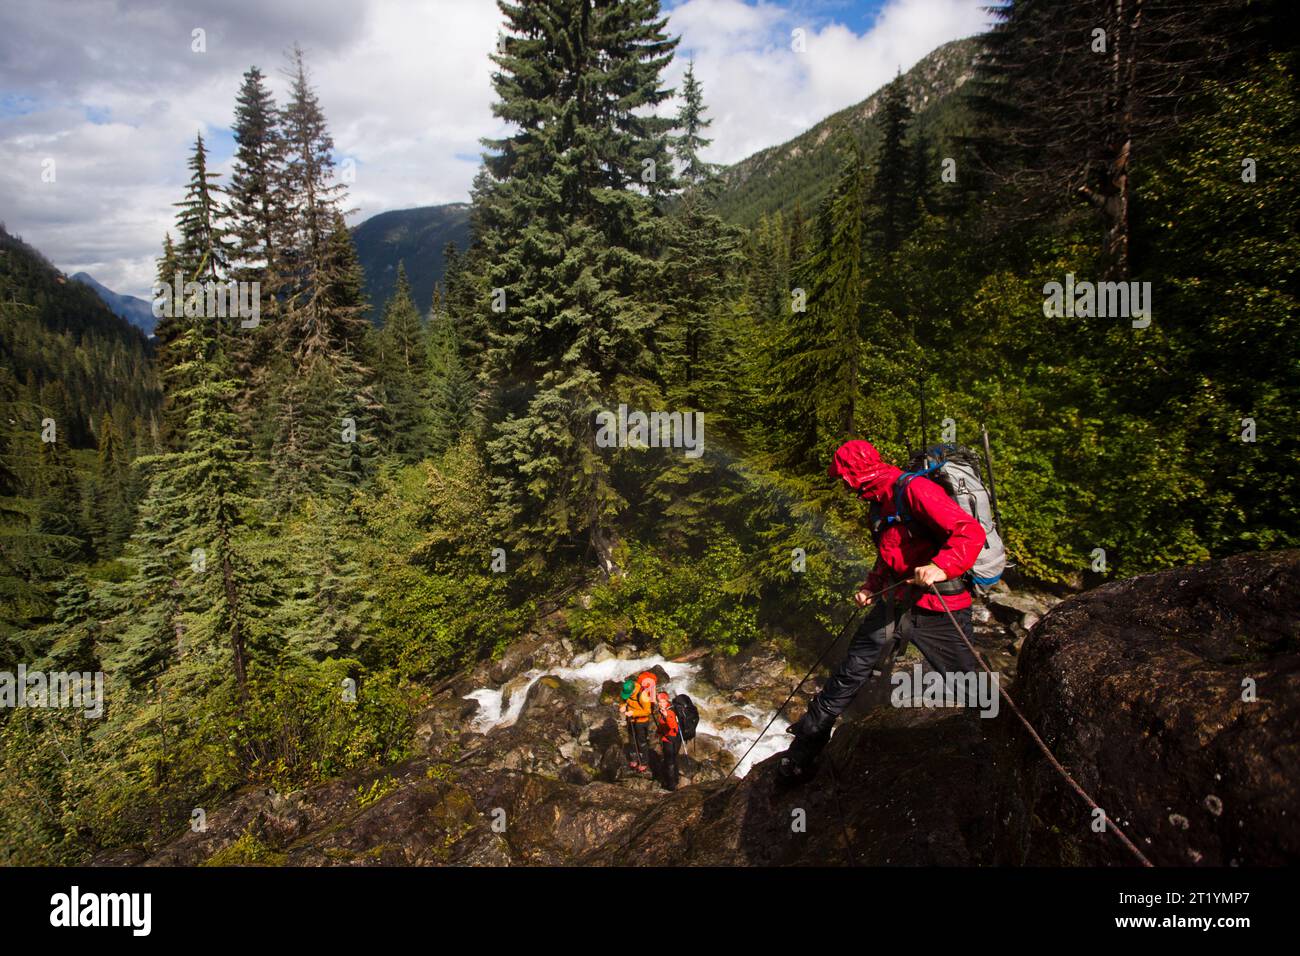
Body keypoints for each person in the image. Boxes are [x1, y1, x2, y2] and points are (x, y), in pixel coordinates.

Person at [779, 439, 987, 782]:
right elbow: (889, 554)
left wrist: (941, 565)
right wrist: (871, 588)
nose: (843, 483)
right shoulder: (877, 504)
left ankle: (998, 748)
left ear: (858, 471)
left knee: (968, 681)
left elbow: (969, 531)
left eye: (844, 475)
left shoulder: (915, 489)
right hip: (897, 603)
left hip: (939, 606)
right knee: (850, 671)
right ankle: (803, 752)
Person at [619, 672, 656, 773]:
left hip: (641, 721)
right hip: (630, 720)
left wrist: (633, 713)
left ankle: (643, 762)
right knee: (632, 740)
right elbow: (623, 699)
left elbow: (647, 711)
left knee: (641, 742)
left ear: (633, 690)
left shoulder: (642, 695)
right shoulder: (626, 690)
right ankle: (634, 758)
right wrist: (622, 706)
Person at [653, 691, 681, 791]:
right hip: (675, 739)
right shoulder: (666, 710)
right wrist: (658, 731)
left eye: (662, 701)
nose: (660, 703)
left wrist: (666, 716)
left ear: (667, 701)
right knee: (673, 759)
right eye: (659, 701)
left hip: (670, 739)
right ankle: (675, 780)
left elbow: (673, 726)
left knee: (669, 762)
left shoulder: (669, 712)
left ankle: (671, 785)